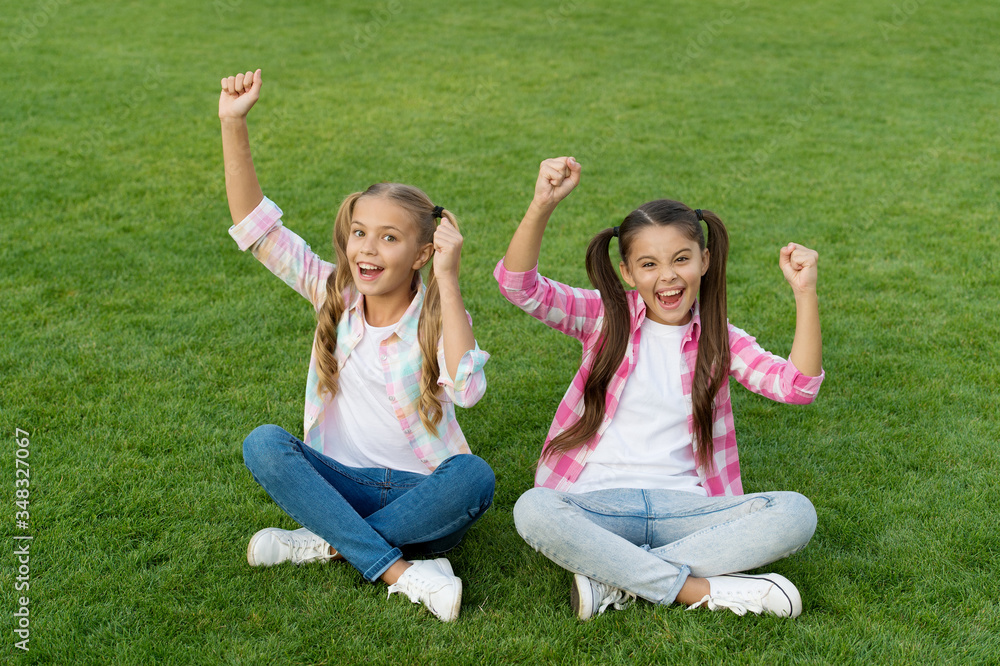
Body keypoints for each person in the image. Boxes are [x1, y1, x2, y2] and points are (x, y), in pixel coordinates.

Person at [494, 156, 824, 620]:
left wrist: (804, 293)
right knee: (533, 509)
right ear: (628, 273)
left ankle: (615, 578)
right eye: (649, 264)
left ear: (704, 262)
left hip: (685, 511)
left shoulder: (720, 338)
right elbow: (519, 286)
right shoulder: (606, 317)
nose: (667, 276)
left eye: (681, 260)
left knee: (795, 513)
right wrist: (541, 204)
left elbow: (798, 387)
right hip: (597, 505)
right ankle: (695, 588)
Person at [219, 69, 494, 622]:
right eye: (361, 232)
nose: (368, 249)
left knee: (475, 477)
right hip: (345, 487)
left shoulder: (439, 314)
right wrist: (233, 123)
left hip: (423, 497)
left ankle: (325, 543)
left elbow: (467, 390)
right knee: (264, 444)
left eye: (390, 238)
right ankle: (399, 570)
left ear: (421, 254)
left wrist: (450, 277)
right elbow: (257, 228)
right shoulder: (333, 295)